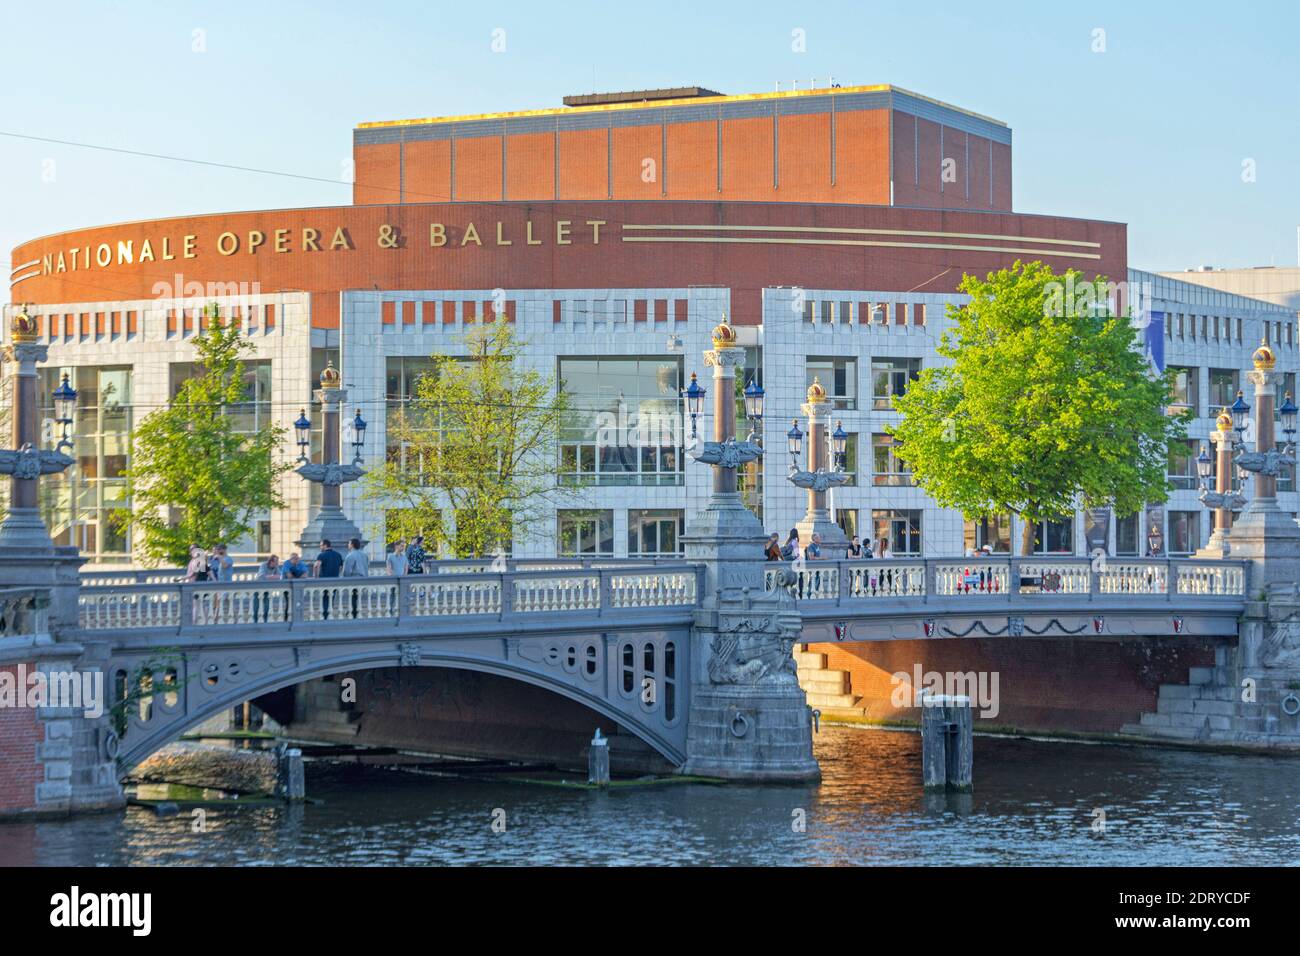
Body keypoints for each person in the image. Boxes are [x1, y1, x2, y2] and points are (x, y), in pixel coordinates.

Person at [314, 539, 344, 619]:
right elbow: (341, 568)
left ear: (325, 545)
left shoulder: (321, 555)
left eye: (321, 545)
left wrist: (316, 577)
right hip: (335, 580)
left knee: (324, 599)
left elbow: (316, 566)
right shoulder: (338, 555)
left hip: (324, 580)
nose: (320, 547)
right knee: (331, 598)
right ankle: (329, 614)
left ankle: (325, 616)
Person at [342, 538, 369, 618]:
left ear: (352, 545)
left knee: (353, 596)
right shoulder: (364, 555)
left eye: (349, 544)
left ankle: (353, 611)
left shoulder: (350, 555)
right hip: (363, 578)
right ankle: (354, 610)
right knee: (357, 597)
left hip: (354, 578)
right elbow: (367, 567)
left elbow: (347, 570)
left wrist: (344, 580)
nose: (348, 545)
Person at [254, 554, 284, 623]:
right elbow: (262, 576)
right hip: (257, 588)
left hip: (266, 588)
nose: (277, 563)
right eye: (276, 562)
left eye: (277, 562)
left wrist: (271, 576)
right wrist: (273, 576)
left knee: (267, 605)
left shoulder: (276, 567)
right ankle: (255, 620)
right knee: (256, 606)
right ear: (271, 561)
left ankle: (265, 620)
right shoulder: (263, 565)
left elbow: (280, 576)